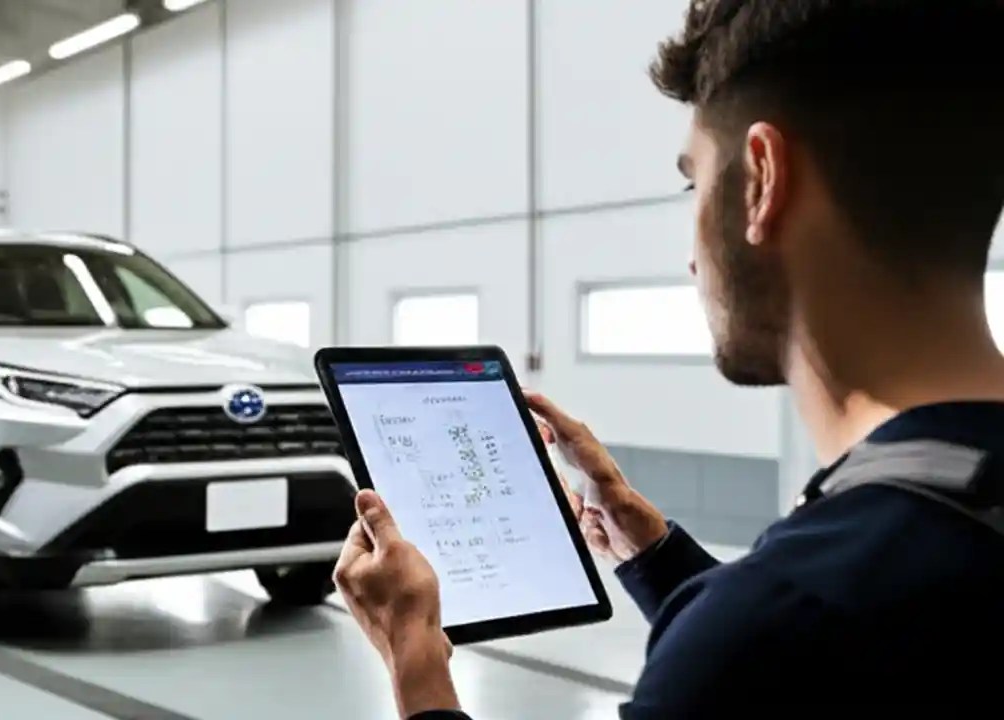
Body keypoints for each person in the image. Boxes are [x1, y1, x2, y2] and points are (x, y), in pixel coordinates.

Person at [332, 0, 1004, 716]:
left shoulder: (784, 621)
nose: (691, 258)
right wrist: (654, 556)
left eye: (695, 182)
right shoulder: (856, 589)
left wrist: (413, 657)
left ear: (762, 179)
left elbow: (777, 648)